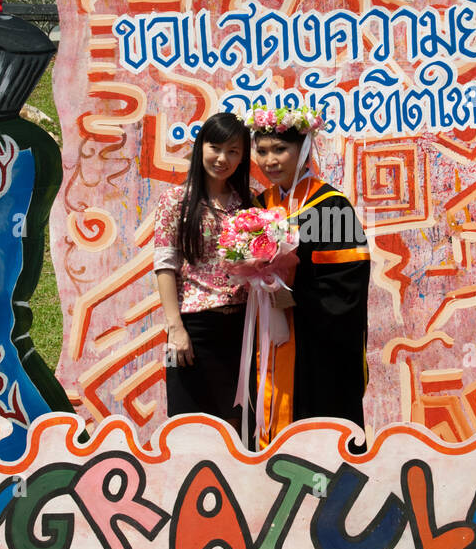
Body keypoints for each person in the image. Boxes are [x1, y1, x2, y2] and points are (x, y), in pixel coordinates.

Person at [245, 108, 370, 448]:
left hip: (316, 348)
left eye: (280, 150)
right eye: (263, 150)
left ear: (302, 149)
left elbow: (349, 283)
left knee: (319, 433)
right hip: (267, 338)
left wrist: (296, 296)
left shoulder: (329, 206)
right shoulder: (259, 206)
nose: (270, 160)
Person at [153, 110, 252, 427]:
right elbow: (164, 266)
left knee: (236, 425)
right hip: (189, 330)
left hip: (240, 331)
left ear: (242, 158)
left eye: (233, 151)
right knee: (184, 425)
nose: (222, 158)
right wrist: (175, 328)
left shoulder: (250, 205)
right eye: (215, 147)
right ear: (201, 148)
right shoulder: (174, 200)